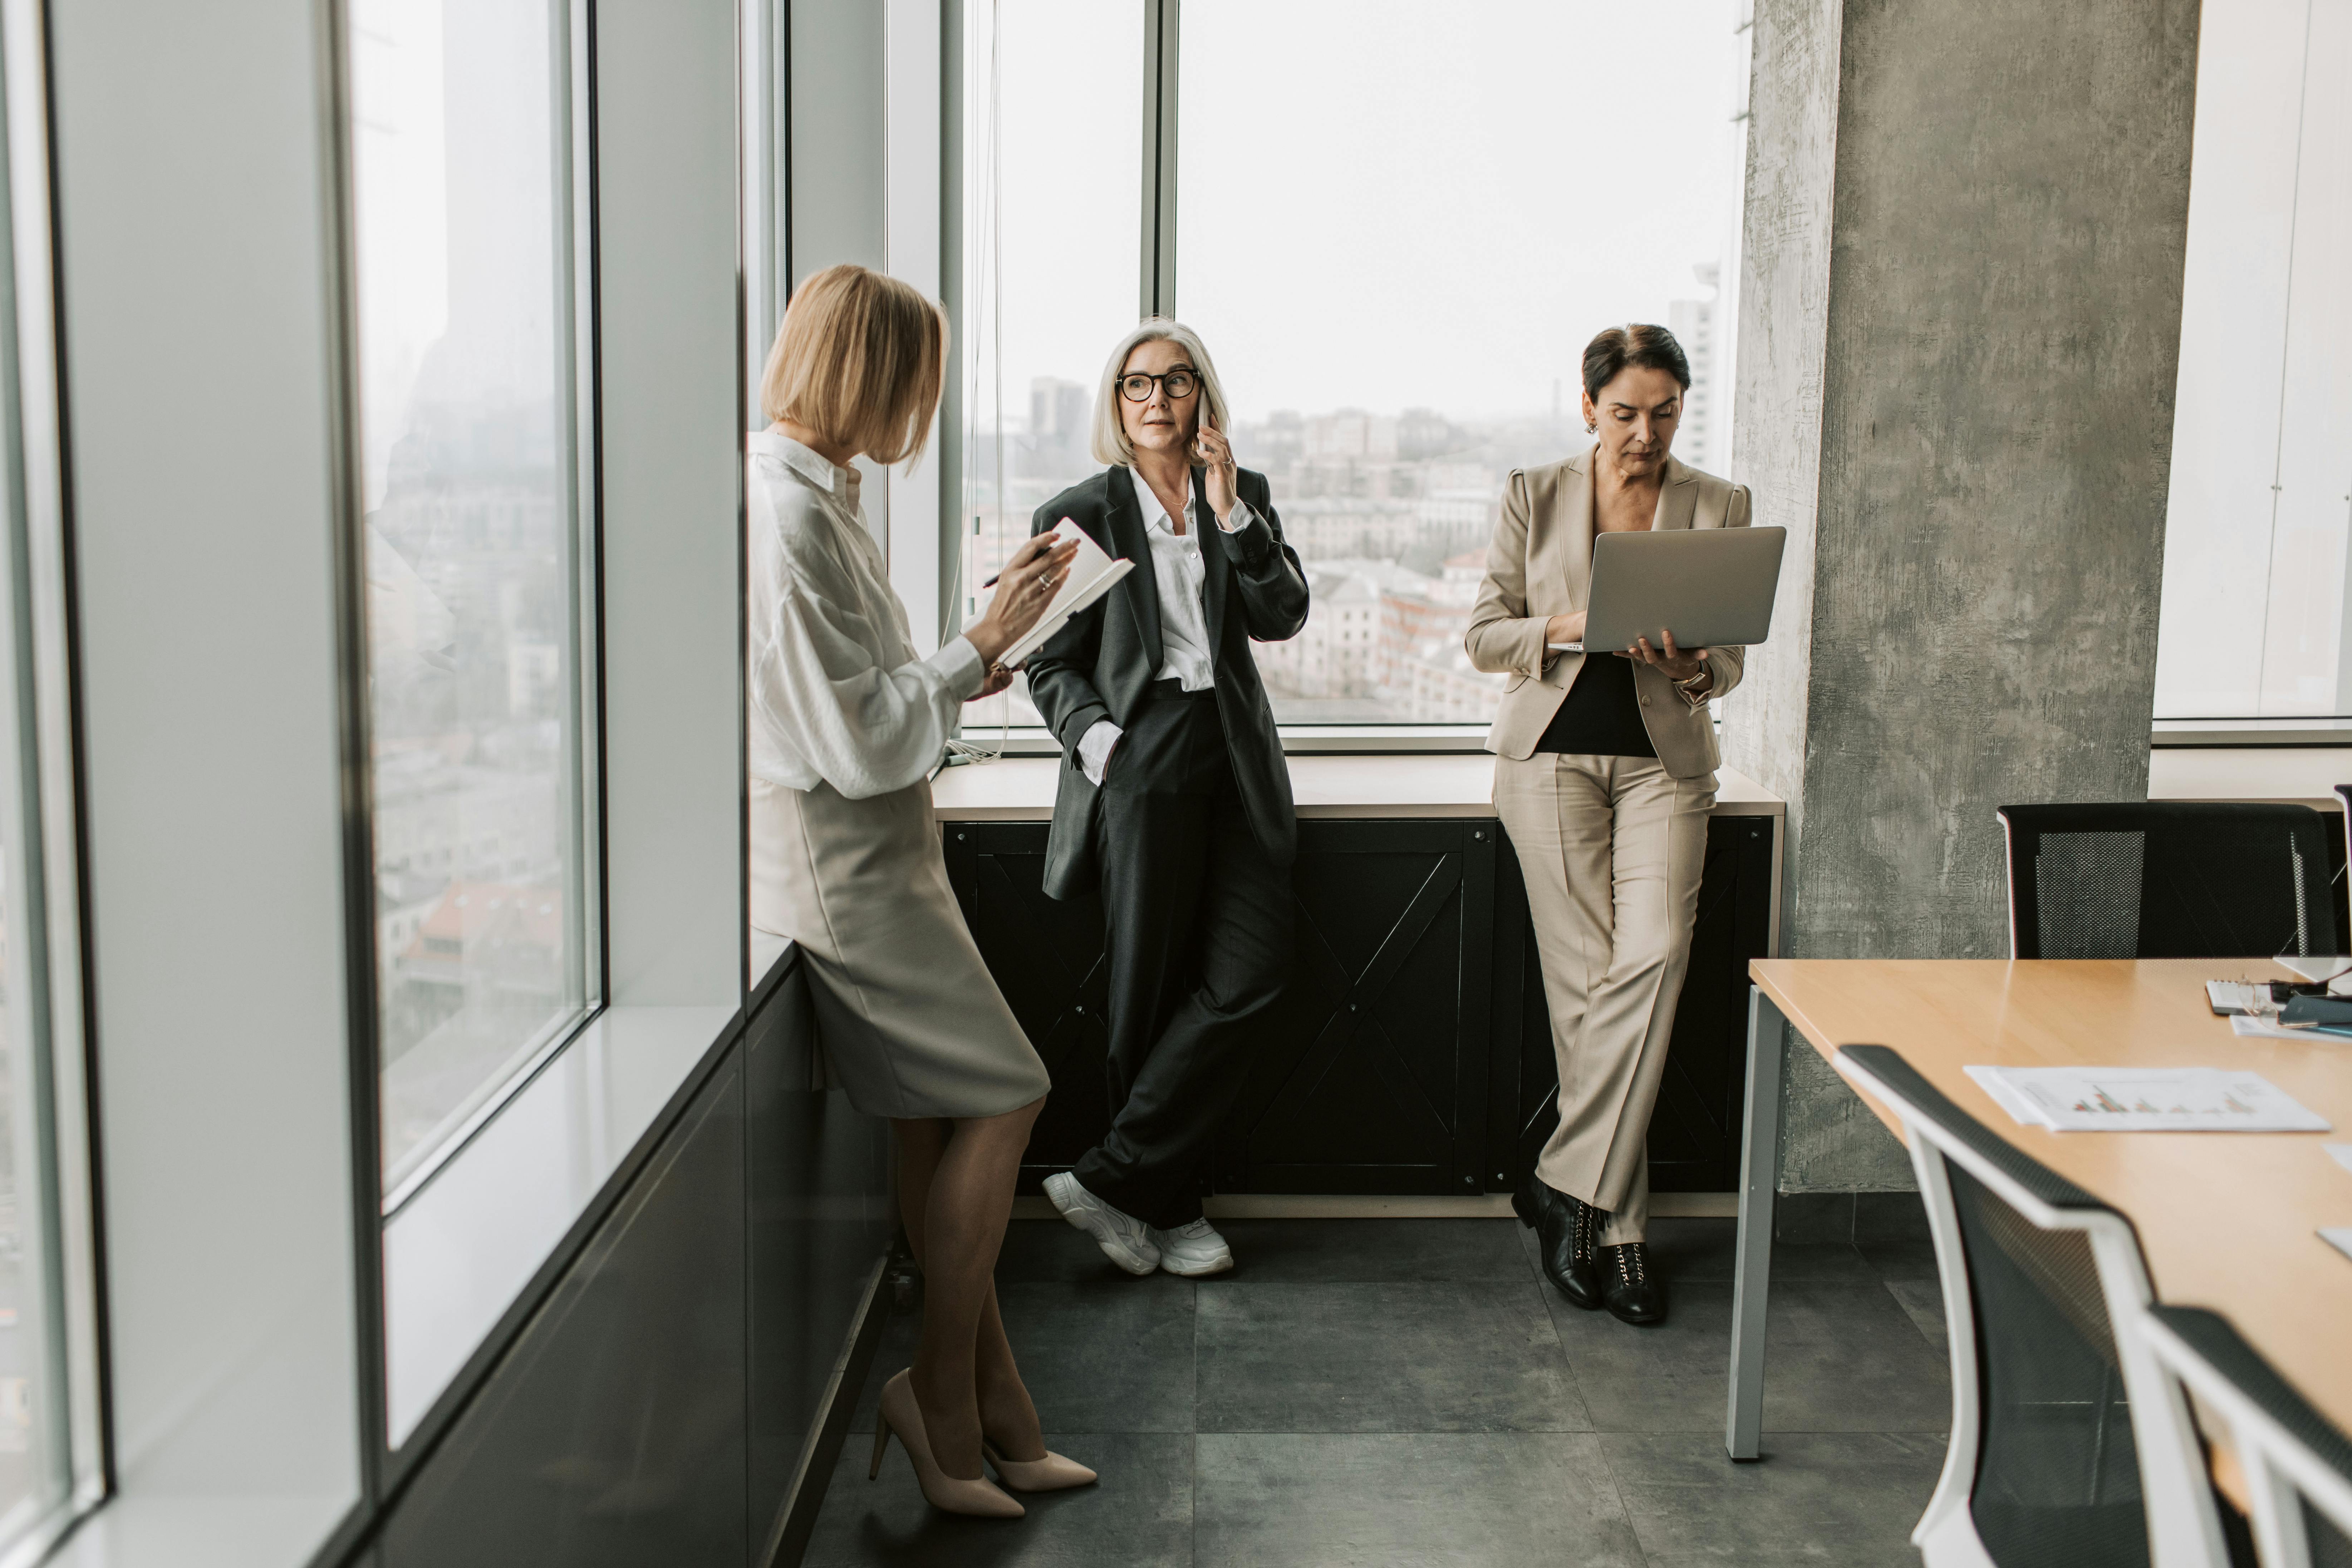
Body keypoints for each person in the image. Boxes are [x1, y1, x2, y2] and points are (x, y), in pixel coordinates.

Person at [746, 263, 1092, 1517]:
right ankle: (940, 1396)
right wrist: (973, 646)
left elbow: (872, 701)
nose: (920, 410)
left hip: (881, 849)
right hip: (842, 865)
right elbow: (850, 746)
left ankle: (996, 1409)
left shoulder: (817, 503)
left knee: (927, 1125)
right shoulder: (784, 521)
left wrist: (966, 660)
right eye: (913, 382)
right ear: (869, 375)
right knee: (1010, 1091)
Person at [1465, 323, 1751, 1327]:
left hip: (1665, 766)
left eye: (1664, 413)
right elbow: (1483, 634)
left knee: (1656, 956)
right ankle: (1618, 1230)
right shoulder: (1533, 493)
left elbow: (1729, 661)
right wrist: (1567, 627)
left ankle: (1561, 1183)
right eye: (1625, 412)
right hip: (1549, 761)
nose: (1645, 433)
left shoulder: (1718, 503)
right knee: (1585, 989)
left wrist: (1692, 667)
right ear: (1588, 407)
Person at [1023, 319, 1309, 1279]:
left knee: (1254, 970)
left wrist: (1230, 514)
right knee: (1143, 986)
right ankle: (1169, 1208)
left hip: (1232, 755)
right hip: (1140, 754)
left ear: (1203, 397)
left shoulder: (1242, 492)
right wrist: (1103, 746)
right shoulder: (1080, 512)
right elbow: (1049, 664)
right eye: (1138, 384)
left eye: (1176, 382)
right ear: (1116, 401)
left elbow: (1282, 615)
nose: (1157, 399)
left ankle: (1114, 1180)